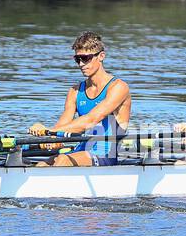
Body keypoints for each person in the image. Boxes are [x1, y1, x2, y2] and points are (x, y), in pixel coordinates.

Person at [28, 32, 132, 166]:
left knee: (63, 159)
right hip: (81, 150)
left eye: (86, 58)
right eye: (78, 59)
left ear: (101, 56)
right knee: (42, 164)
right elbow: (60, 129)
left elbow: (91, 120)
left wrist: (49, 129)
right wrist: (49, 139)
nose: (81, 64)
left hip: (106, 154)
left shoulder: (118, 87)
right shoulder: (75, 91)